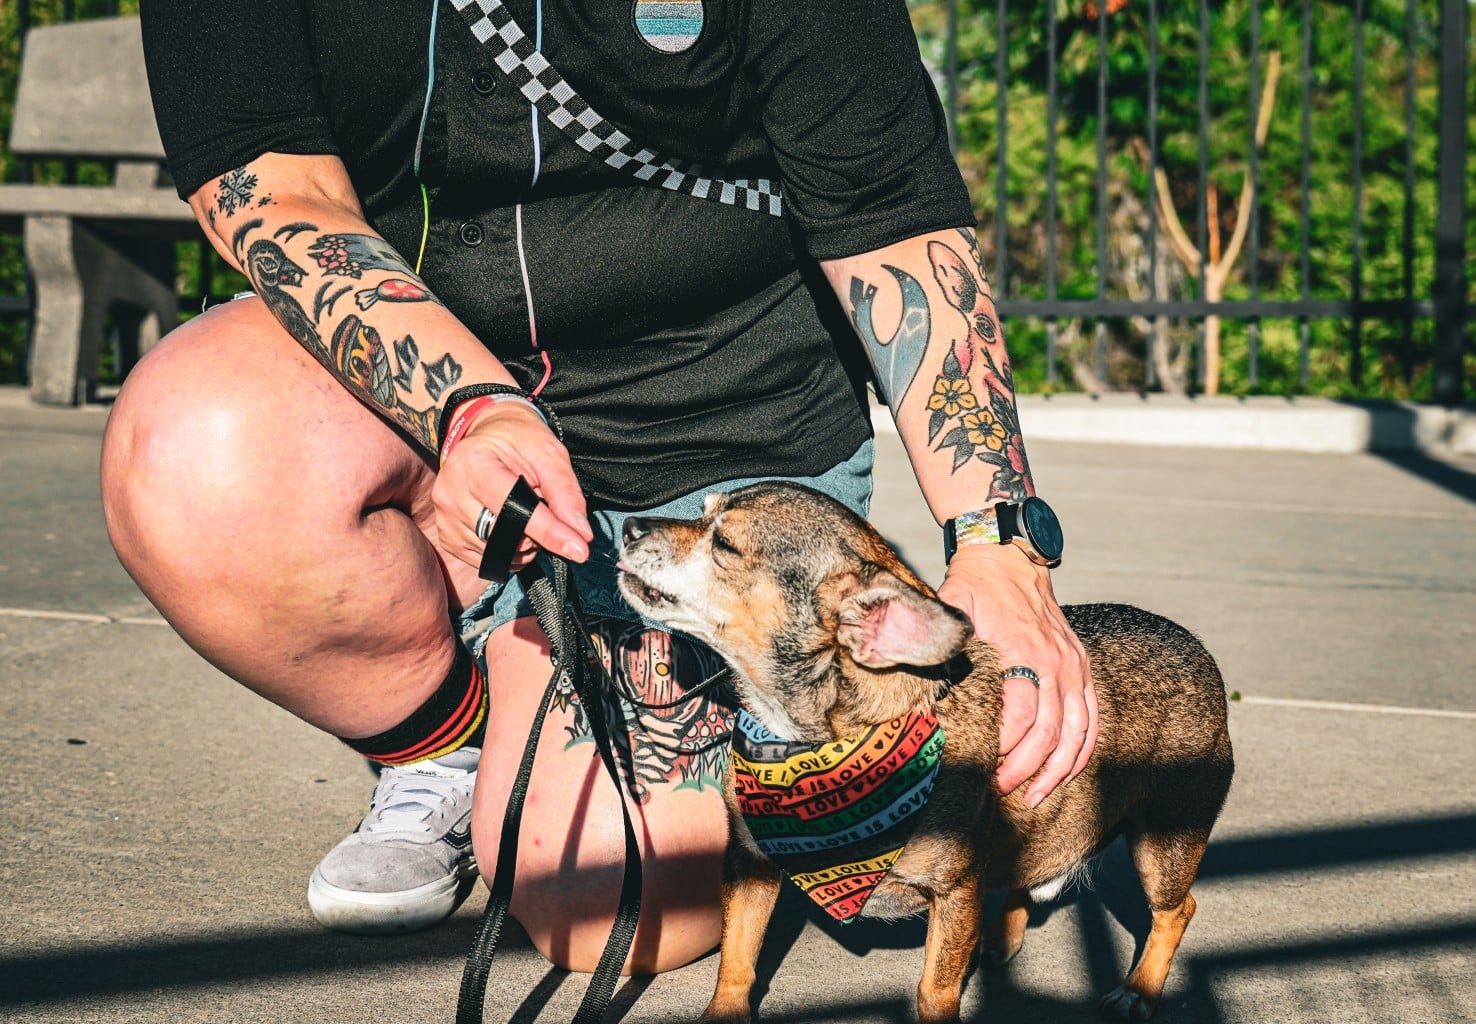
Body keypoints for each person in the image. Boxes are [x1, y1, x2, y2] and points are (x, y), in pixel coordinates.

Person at [105, 0, 1096, 973]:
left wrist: (998, 544)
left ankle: (548, 688)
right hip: (416, 392)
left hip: (714, 423)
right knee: (192, 447)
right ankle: (442, 733)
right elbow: (274, 189)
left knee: (606, 907)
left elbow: (885, 201)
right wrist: (469, 408)